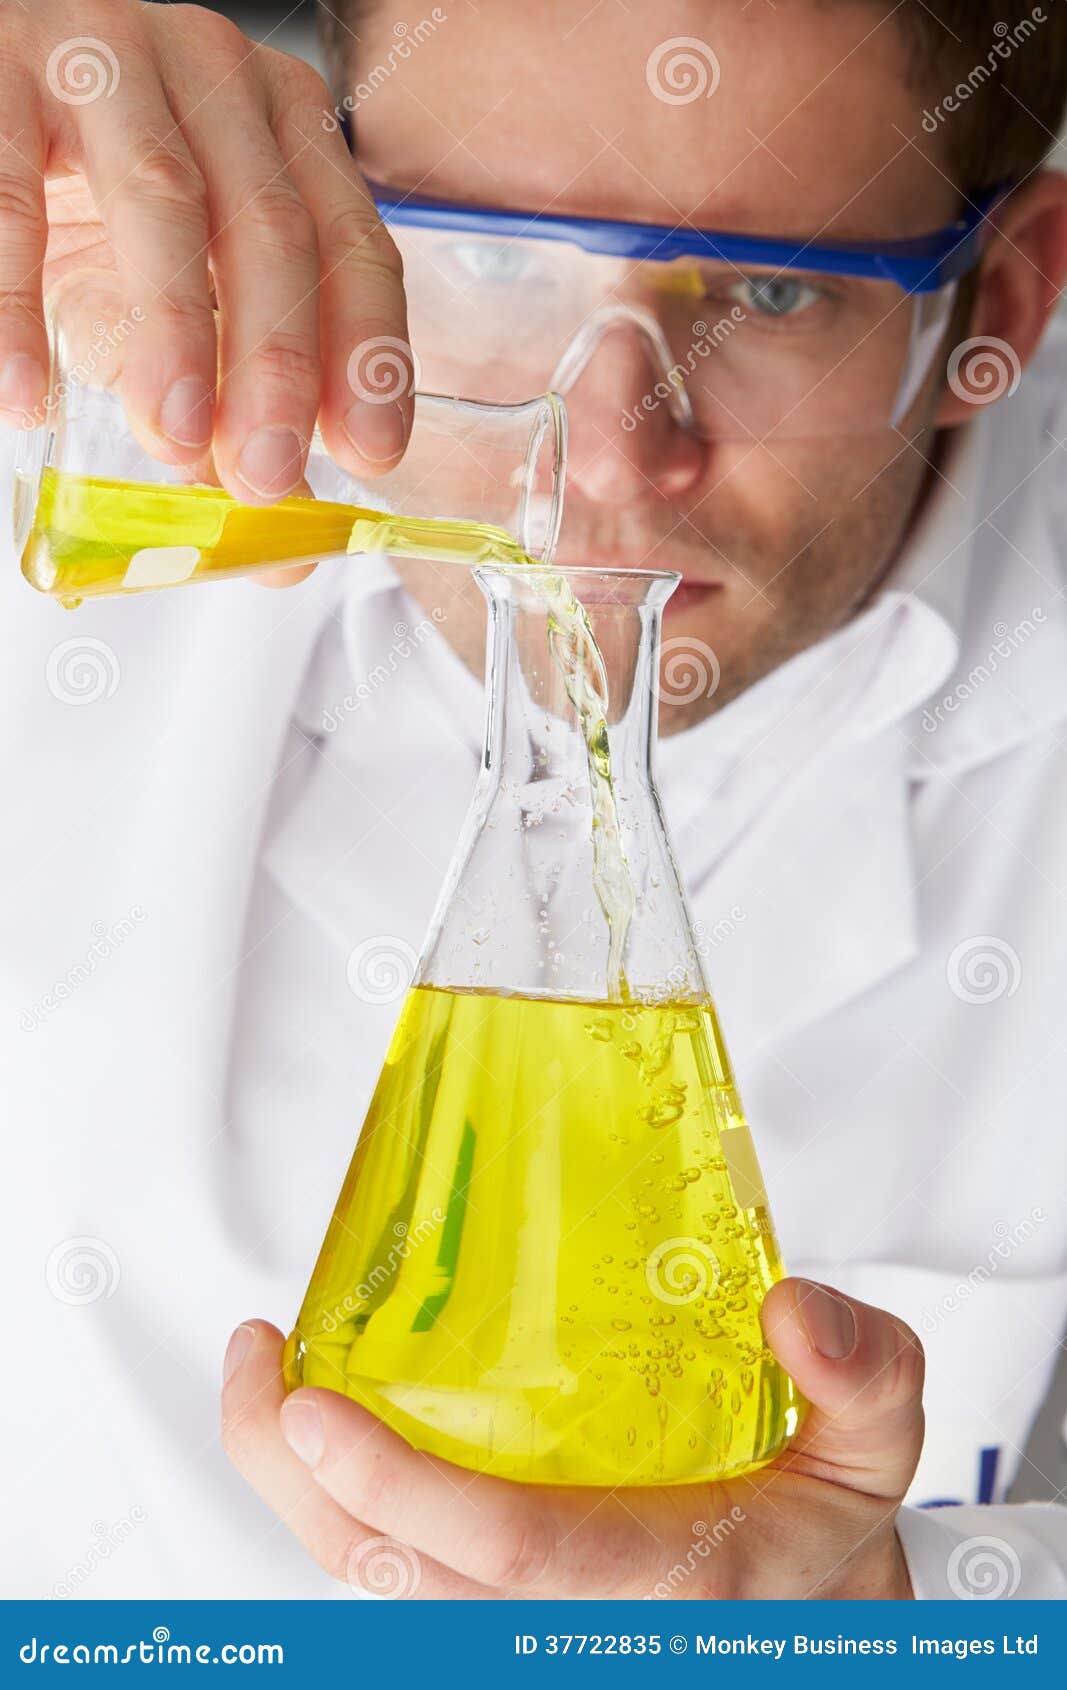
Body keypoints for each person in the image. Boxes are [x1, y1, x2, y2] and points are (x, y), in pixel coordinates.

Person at [1, 0, 1066, 1601]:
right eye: (488, 255)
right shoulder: (92, 369)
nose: (608, 449)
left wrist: (897, 1618)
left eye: (773, 294)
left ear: (1003, 295)